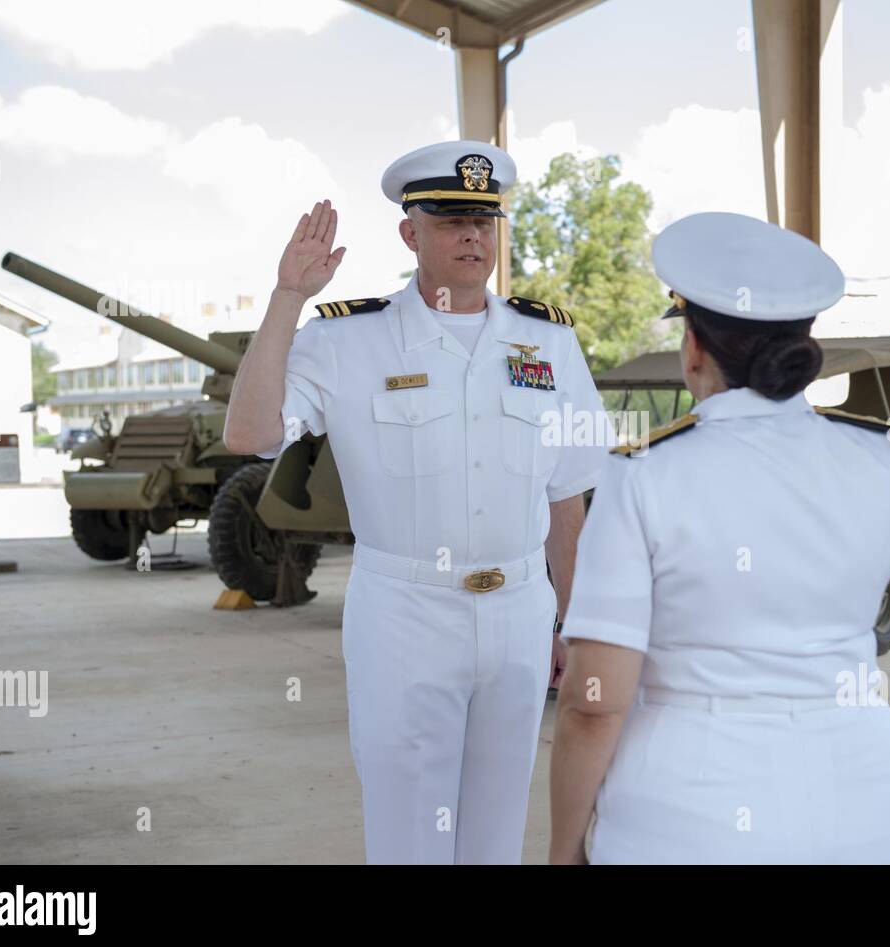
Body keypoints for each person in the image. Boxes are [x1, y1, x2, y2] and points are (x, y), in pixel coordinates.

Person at [548, 211, 890, 864]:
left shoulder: (643, 473)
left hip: (686, 816)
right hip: (863, 810)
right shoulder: (879, 460)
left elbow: (595, 702)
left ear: (693, 346)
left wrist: (562, 850)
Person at [222, 140, 608, 864]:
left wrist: (573, 622)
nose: (472, 236)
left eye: (485, 221)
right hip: (405, 618)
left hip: (519, 614)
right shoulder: (347, 337)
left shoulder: (546, 340)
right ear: (411, 233)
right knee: (409, 838)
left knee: (496, 837)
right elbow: (249, 432)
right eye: (451, 220)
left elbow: (567, 498)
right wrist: (285, 301)